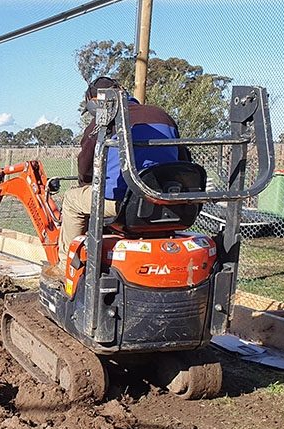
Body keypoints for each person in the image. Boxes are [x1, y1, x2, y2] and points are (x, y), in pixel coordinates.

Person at [48, 76, 183, 278]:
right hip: (165, 199)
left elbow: (85, 164)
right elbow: (183, 158)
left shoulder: (105, 121)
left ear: (95, 102)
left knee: (72, 200)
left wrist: (84, 184)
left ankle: (65, 269)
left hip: (124, 202)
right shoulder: (162, 115)